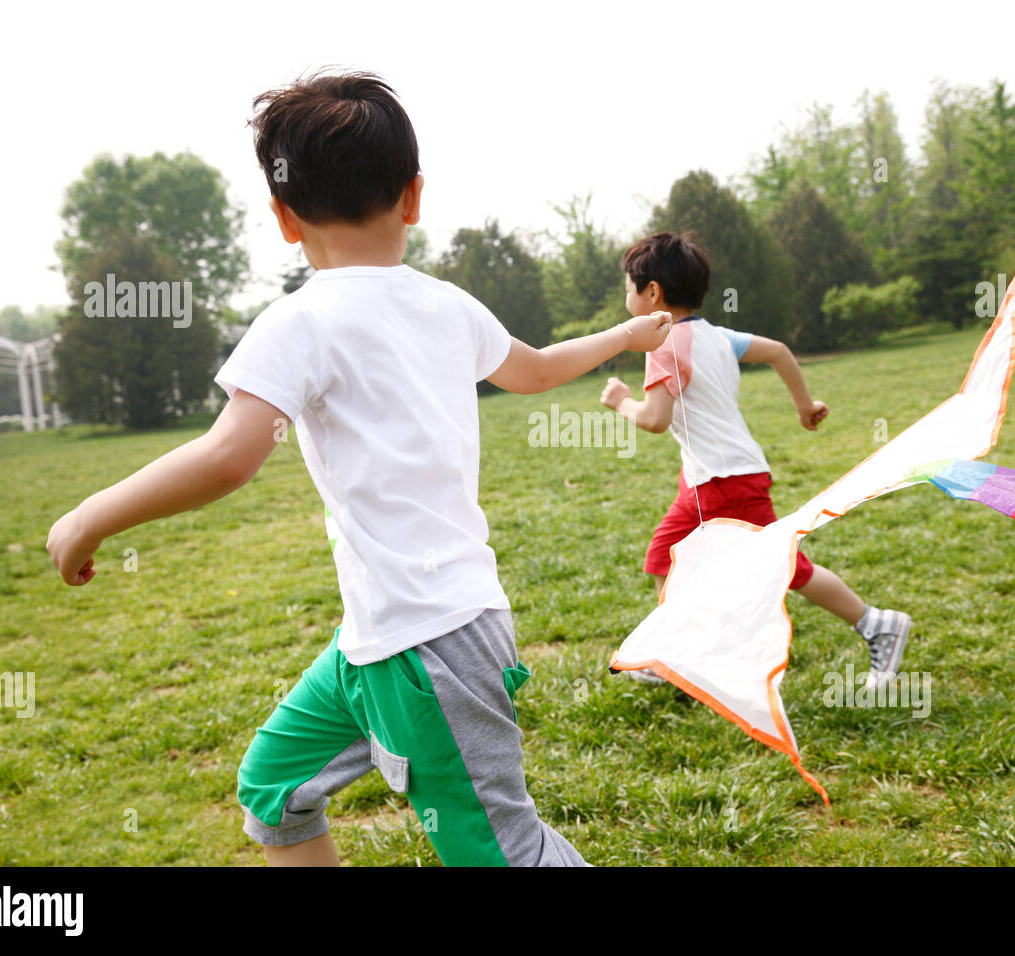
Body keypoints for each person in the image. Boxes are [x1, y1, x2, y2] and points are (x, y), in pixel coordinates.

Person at [46, 71, 672, 867]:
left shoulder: (299, 321)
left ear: (282, 216)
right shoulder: (448, 305)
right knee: (277, 788)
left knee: (501, 852)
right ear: (413, 196)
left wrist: (89, 515)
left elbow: (228, 456)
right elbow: (541, 369)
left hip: (428, 645)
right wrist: (623, 337)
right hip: (375, 640)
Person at [599, 232, 910, 690]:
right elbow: (780, 352)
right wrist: (804, 405)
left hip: (725, 482)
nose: (626, 296)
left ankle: (876, 624)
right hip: (711, 478)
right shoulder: (717, 337)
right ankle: (670, 655)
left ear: (652, 293)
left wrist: (620, 402)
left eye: (628, 287)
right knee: (666, 557)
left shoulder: (661, 344)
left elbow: (654, 421)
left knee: (785, 568)